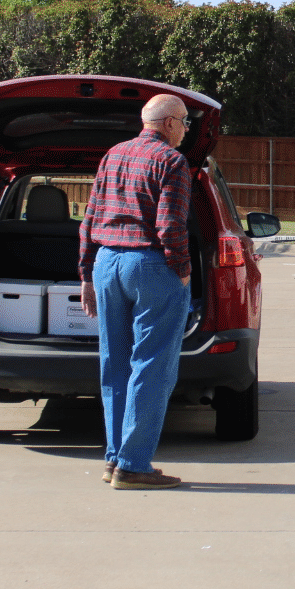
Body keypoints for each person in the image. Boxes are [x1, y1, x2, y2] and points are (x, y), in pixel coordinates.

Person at [78, 93, 193, 490]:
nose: (185, 132)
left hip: (107, 263)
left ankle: (114, 459)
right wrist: (182, 269)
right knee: (152, 365)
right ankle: (133, 465)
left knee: (115, 363)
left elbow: (89, 215)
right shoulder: (172, 161)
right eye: (185, 123)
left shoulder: (113, 155)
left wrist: (86, 273)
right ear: (171, 123)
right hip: (149, 265)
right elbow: (169, 225)